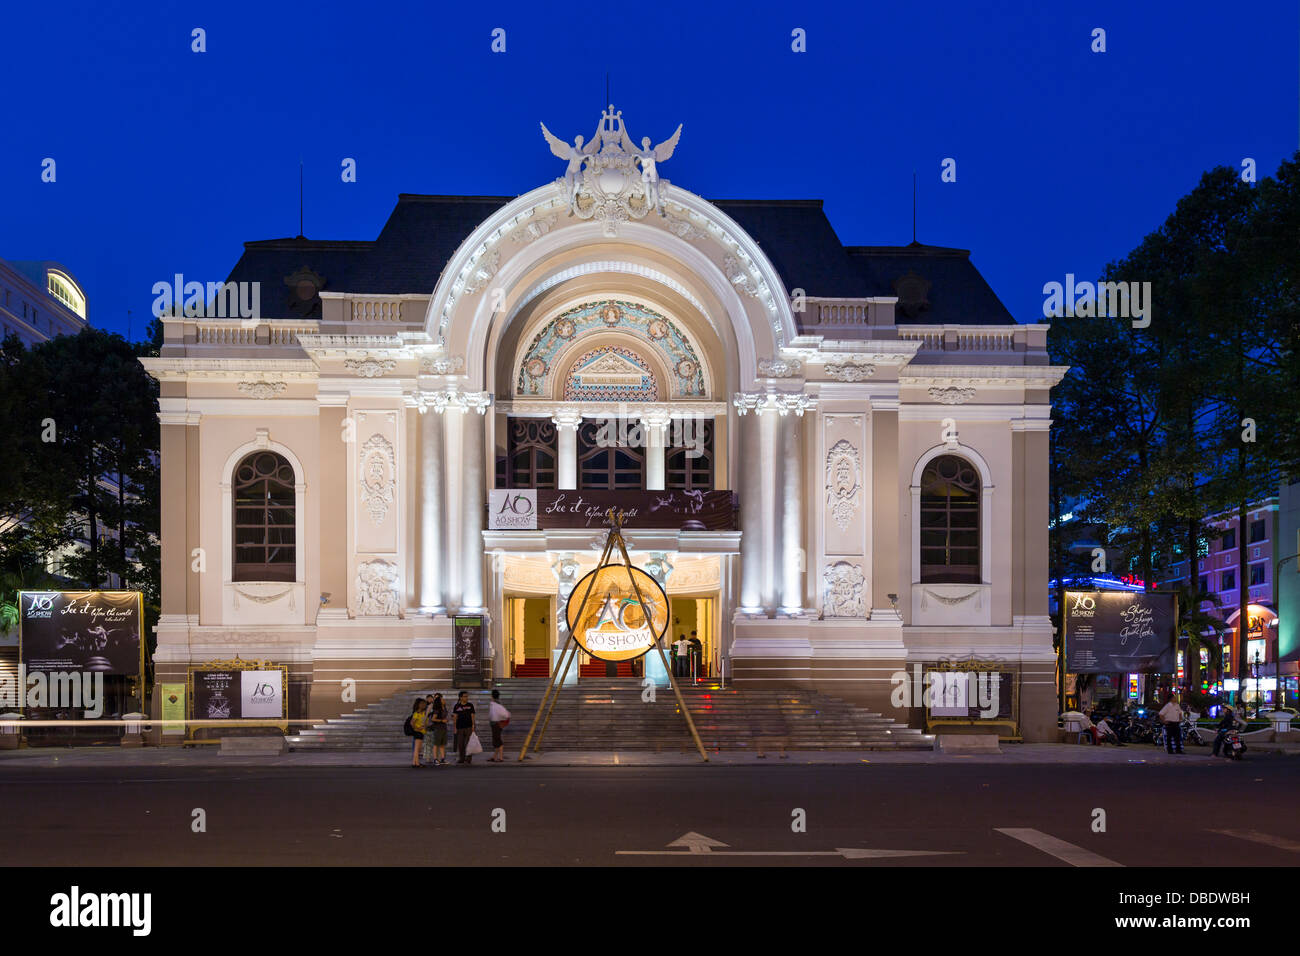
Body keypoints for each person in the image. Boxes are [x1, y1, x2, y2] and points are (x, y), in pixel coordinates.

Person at [452, 691, 476, 764]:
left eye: (467, 696)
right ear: (461, 697)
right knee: (460, 744)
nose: (466, 698)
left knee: (468, 743)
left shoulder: (470, 705)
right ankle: (461, 758)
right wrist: (455, 727)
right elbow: (455, 717)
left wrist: (473, 725)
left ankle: (468, 758)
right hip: (460, 727)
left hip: (468, 727)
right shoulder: (457, 706)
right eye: (465, 696)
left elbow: (472, 716)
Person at [487, 688, 511, 762]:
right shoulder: (496, 704)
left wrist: (498, 718)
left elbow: (506, 715)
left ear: (492, 696)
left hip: (496, 724)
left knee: (498, 740)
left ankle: (500, 757)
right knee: (496, 740)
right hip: (496, 724)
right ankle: (495, 756)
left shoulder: (496, 705)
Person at [428, 693, 449, 766]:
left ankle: (443, 759)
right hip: (438, 728)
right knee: (436, 744)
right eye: (442, 699)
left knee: (442, 744)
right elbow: (433, 719)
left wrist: (445, 720)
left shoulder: (444, 708)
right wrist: (441, 720)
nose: (444, 700)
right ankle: (435, 759)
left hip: (444, 727)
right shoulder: (437, 709)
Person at [408, 698, 427, 768]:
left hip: (421, 732)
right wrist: (417, 728)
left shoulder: (423, 713)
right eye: (423, 704)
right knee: (417, 749)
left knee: (418, 749)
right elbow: (412, 723)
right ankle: (416, 763)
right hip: (418, 732)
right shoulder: (416, 713)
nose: (425, 705)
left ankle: (415, 762)